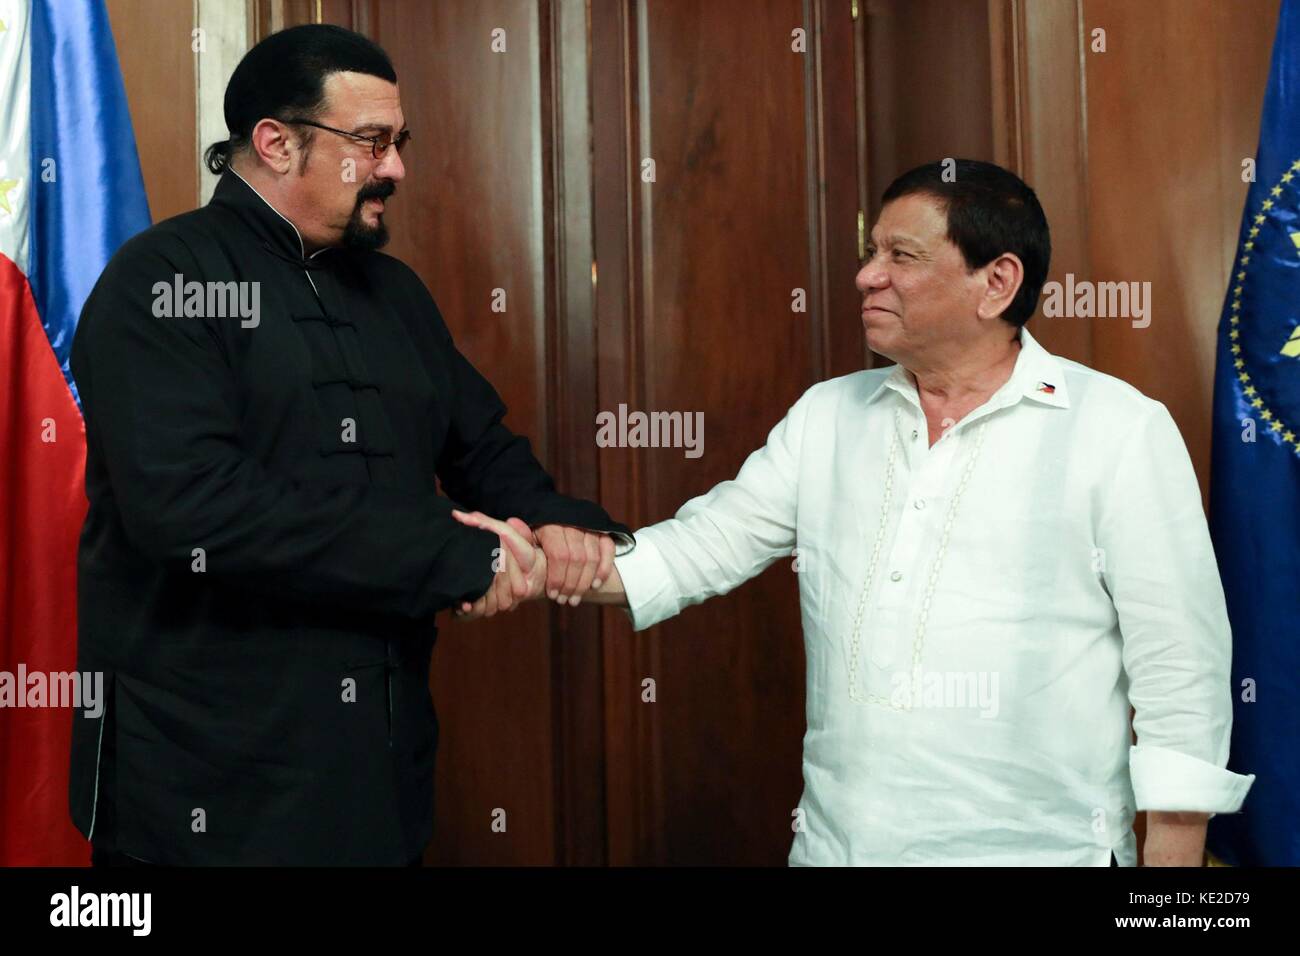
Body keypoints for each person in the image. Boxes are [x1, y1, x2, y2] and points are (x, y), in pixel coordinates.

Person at [456, 159, 1256, 866]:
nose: (867, 276)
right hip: (841, 847)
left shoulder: (1116, 428)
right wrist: (522, 564)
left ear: (998, 282)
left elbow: (1179, 666)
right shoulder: (827, 417)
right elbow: (698, 551)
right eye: (871, 253)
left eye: (900, 257)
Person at [69, 24, 630, 866]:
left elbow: (480, 444)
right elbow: (192, 511)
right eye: (370, 142)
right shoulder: (163, 280)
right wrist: (446, 552)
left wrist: (558, 521)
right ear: (276, 142)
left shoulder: (394, 292)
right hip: (206, 786)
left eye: (398, 142)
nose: (396, 168)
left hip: (379, 772)